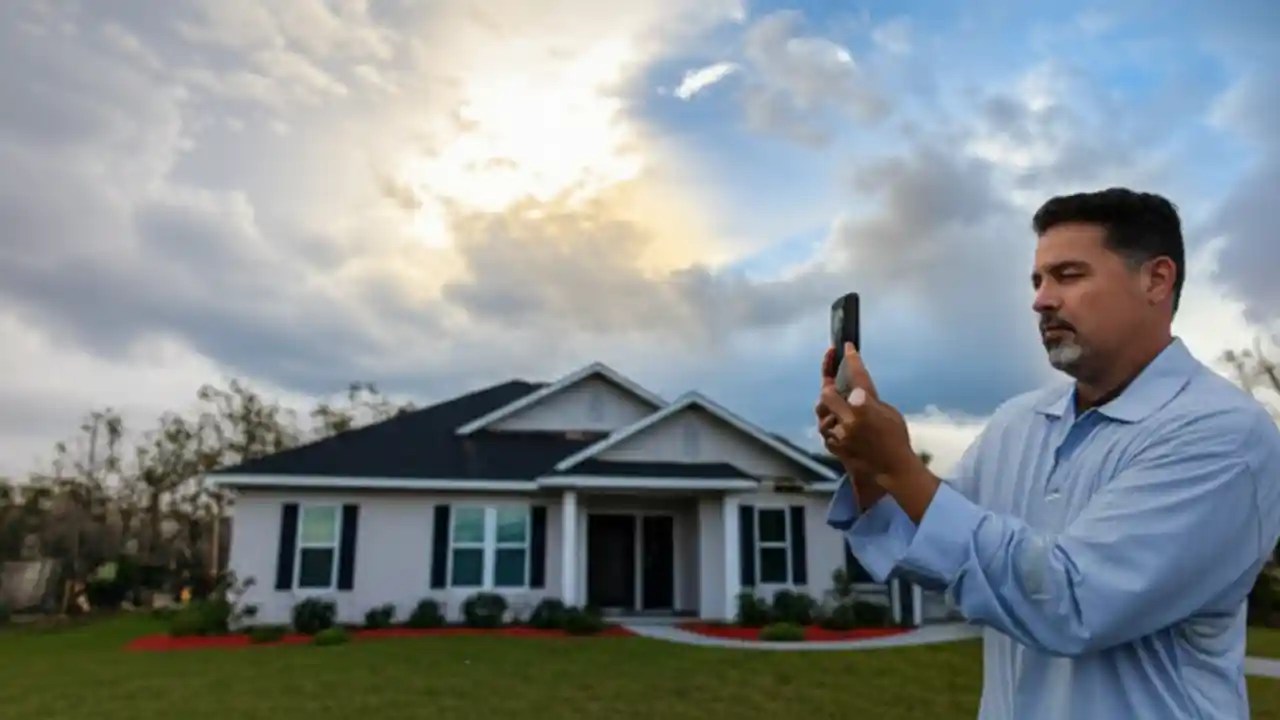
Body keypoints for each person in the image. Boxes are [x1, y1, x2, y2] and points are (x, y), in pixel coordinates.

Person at [817, 187, 1280, 719]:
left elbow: (1071, 605)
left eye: (1069, 275)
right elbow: (934, 547)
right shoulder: (1019, 421)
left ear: (1156, 279)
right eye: (1038, 280)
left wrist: (897, 463)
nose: (1041, 300)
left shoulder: (1221, 433)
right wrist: (868, 467)